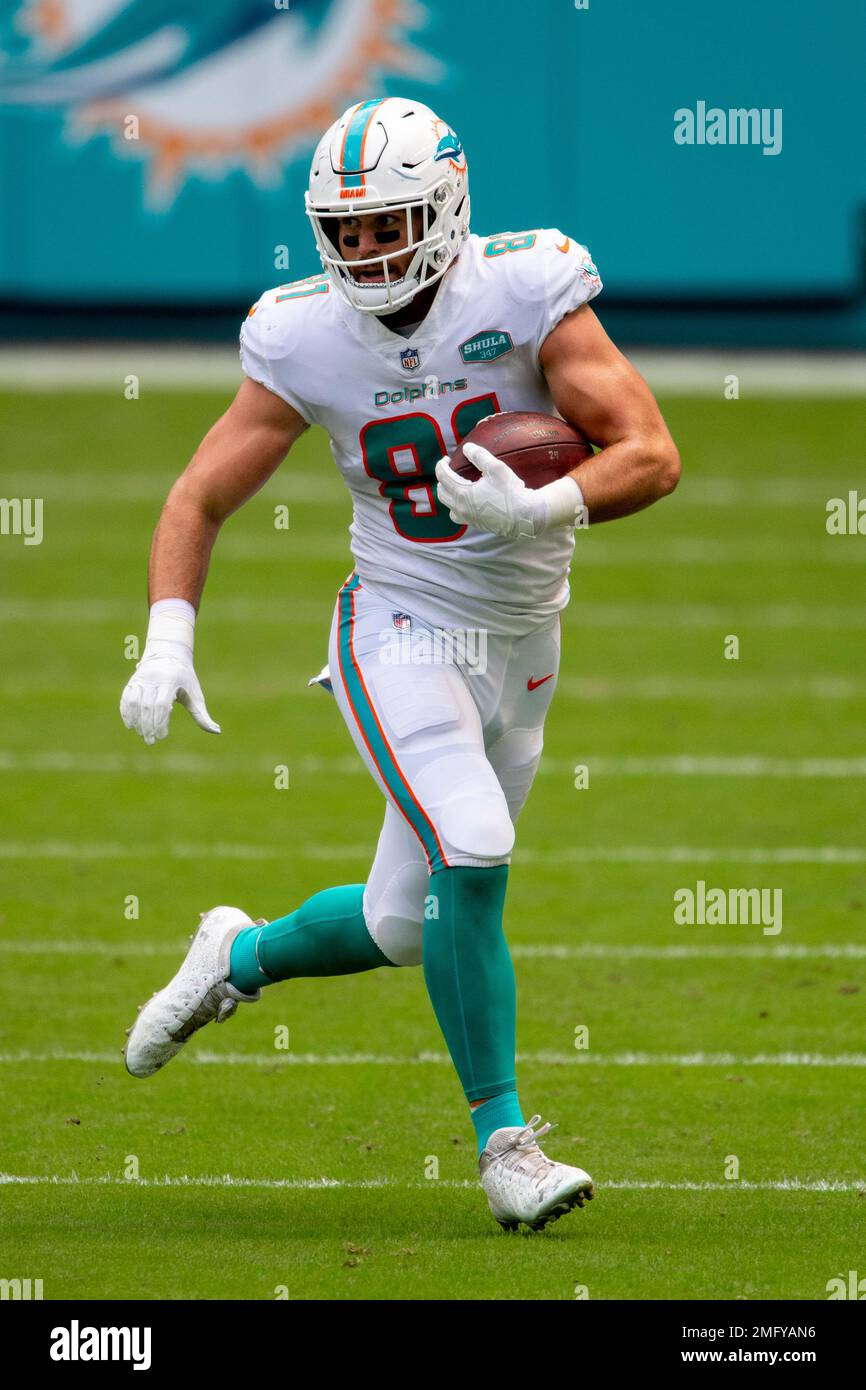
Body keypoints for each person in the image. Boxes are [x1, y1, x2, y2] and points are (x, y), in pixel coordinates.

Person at [121, 96, 680, 1232]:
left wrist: (538, 507)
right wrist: (168, 635)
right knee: (472, 842)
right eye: (350, 230)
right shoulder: (302, 334)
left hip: (522, 637)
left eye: (390, 227)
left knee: (404, 925)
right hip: (400, 626)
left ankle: (240, 952)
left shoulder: (526, 291)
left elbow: (652, 454)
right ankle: (505, 1144)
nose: (368, 252)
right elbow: (200, 492)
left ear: (446, 210)